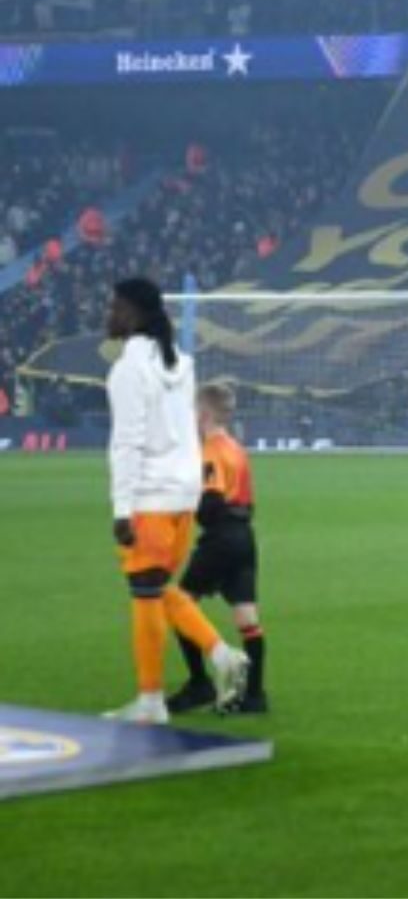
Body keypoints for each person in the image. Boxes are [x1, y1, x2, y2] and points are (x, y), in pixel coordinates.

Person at [103, 277, 249, 724]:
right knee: (158, 589)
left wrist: (121, 508)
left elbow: (126, 441)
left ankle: (164, 693)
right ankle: (216, 658)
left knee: (145, 595)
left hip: (148, 495)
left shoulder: (128, 370)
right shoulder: (182, 364)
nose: (109, 315)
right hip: (182, 497)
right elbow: (186, 431)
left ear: (133, 314)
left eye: (115, 307)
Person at [167, 383, 269, 715]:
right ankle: (254, 696)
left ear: (204, 414)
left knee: (179, 605)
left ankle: (200, 684)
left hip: (221, 537)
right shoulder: (236, 448)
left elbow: (210, 503)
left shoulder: (210, 450)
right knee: (247, 618)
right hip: (244, 536)